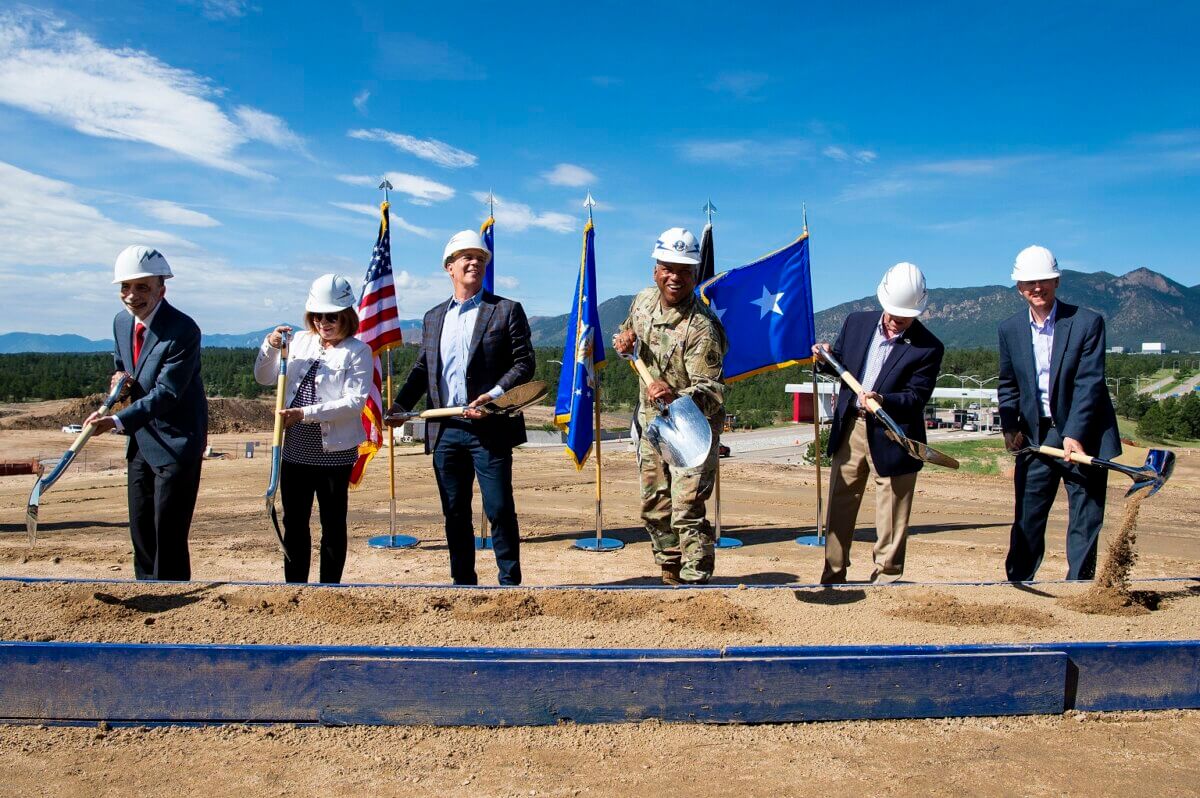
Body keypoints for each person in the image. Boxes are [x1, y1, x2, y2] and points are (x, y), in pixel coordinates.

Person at [387, 230, 534, 585]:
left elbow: (524, 364)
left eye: (480, 258)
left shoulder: (506, 310)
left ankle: (510, 583)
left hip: (490, 427)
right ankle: (463, 584)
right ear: (449, 267)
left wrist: (494, 395)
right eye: (466, 257)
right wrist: (399, 405)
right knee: (454, 513)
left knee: (499, 508)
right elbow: (424, 369)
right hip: (446, 430)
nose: (474, 263)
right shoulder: (433, 317)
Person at [812, 262, 944, 584]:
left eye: (906, 316)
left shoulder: (929, 347)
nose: (899, 320)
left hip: (893, 433)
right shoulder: (856, 323)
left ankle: (887, 576)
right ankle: (833, 572)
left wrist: (884, 400)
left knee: (893, 510)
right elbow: (841, 365)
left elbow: (916, 398)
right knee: (841, 502)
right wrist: (825, 357)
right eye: (895, 312)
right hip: (851, 427)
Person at [612, 227, 728, 585]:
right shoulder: (643, 301)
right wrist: (624, 338)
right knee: (654, 506)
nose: (675, 277)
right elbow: (627, 335)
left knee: (687, 511)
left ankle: (697, 583)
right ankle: (669, 570)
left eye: (684, 271)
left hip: (692, 429)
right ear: (656, 270)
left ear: (695, 275)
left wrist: (676, 395)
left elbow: (712, 392)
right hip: (652, 426)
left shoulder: (702, 328)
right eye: (668, 268)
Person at [84, 246, 207, 581]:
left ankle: (171, 602)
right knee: (140, 529)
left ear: (161, 289)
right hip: (142, 441)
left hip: (177, 443)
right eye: (125, 287)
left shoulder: (183, 330)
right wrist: (119, 382)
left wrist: (116, 421)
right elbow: (125, 367)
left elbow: (166, 393)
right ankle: (145, 593)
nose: (132, 295)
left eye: (142, 287)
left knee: (168, 533)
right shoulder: (121, 322)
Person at [999, 245, 1120, 581]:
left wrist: (1075, 434)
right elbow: (1008, 384)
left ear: (1056, 281)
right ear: (1019, 287)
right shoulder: (1009, 329)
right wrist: (1009, 426)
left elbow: (1089, 383)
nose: (1037, 288)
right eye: (1029, 282)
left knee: (1085, 517)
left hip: (1085, 433)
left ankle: (1079, 587)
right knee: (1027, 515)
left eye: (1044, 281)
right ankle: (1018, 582)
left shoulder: (1086, 322)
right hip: (1036, 435)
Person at [253, 274, 372, 584]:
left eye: (331, 316)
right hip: (294, 449)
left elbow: (354, 402)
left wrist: (303, 414)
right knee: (294, 523)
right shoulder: (299, 341)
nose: (323, 322)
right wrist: (269, 346)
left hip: (334, 453)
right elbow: (265, 377)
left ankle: (329, 588)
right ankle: (296, 585)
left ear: (346, 315)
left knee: (333, 524)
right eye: (318, 315)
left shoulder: (358, 351)